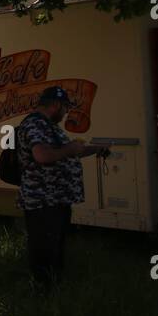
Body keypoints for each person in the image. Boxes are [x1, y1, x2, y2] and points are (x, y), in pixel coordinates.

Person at [15, 86, 108, 287]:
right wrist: (71, 148)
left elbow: (67, 152)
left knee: (55, 247)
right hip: (42, 200)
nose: (66, 113)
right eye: (65, 108)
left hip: (56, 199)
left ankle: (54, 286)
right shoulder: (35, 125)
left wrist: (94, 149)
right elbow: (42, 155)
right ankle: (43, 290)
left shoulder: (49, 126)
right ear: (56, 105)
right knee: (45, 249)